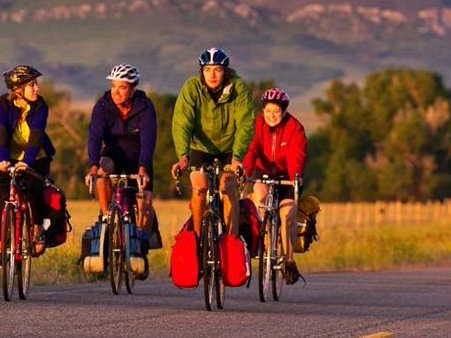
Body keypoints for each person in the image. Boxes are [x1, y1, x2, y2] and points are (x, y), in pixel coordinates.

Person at [170, 47, 255, 237]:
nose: (212, 75)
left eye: (217, 69)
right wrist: (183, 156)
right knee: (200, 187)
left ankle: (232, 239)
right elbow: (182, 123)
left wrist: (237, 156)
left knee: (228, 188)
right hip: (200, 148)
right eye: (207, 70)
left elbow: (245, 124)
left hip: (229, 149)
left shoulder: (238, 88)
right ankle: (199, 239)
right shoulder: (191, 87)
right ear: (201, 71)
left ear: (225, 71)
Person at [0, 65, 56, 266]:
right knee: (4, 199)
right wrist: (3, 160)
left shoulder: (41, 106)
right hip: (4, 157)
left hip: (35, 156)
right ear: (18, 89)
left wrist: (28, 161)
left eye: (36, 84)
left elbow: (36, 136)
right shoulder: (0, 105)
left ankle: (37, 231)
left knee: (34, 192)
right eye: (32, 85)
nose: (37, 89)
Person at [242, 87, 308, 284]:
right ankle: (263, 237)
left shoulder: (295, 128)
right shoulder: (257, 125)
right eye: (268, 111)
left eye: (276, 112)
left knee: (287, 215)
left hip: (287, 176)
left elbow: (297, 155)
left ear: (284, 112)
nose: (272, 116)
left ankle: (289, 261)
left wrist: (295, 176)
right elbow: (251, 151)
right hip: (263, 174)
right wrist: (245, 171)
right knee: (260, 196)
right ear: (263, 110)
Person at [86, 63, 158, 234]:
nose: (116, 92)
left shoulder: (145, 106)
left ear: (133, 89)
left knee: (145, 207)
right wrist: (93, 165)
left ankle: (142, 244)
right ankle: (107, 219)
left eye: (122, 87)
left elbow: (149, 140)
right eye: (113, 86)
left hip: (138, 157)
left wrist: (143, 167)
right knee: (103, 171)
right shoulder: (103, 106)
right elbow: (94, 136)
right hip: (113, 153)